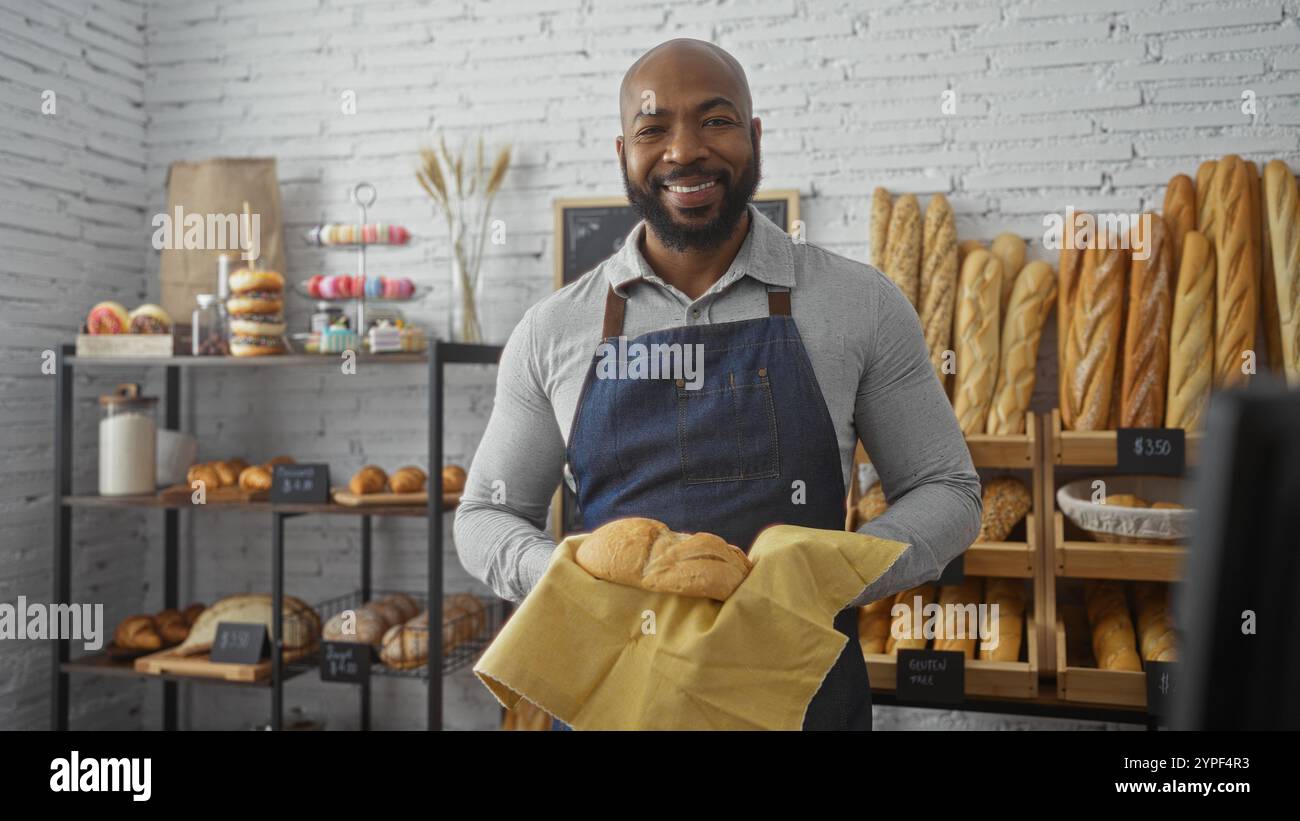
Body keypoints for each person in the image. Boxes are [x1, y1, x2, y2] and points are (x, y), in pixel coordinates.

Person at [455, 38, 981, 730]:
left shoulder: (859, 304)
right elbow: (485, 515)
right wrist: (568, 576)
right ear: (623, 153)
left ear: (754, 136)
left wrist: (828, 575)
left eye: (715, 120)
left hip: (803, 705)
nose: (685, 150)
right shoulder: (554, 329)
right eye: (653, 129)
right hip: (615, 710)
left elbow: (949, 490)